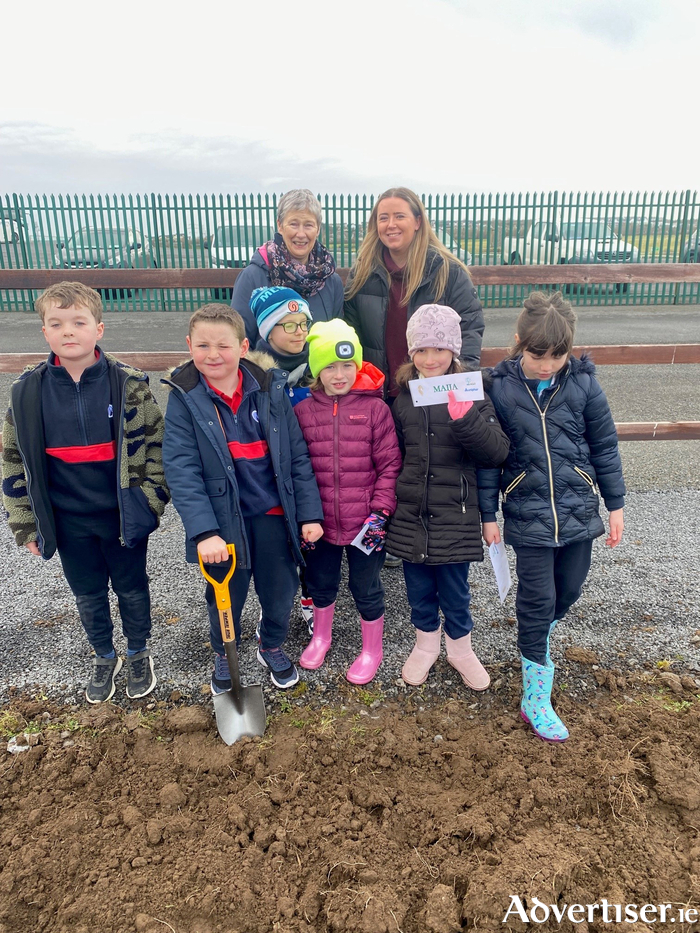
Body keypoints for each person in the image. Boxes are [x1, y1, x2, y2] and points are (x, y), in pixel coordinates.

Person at [1, 282, 169, 703]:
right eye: (56, 323)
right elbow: (11, 460)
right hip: (67, 520)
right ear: (44, 332)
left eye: (79, 322)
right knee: (88, 591)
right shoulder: (26, 393)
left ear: (99, 328)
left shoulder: (128, 385)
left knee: (131, 586)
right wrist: (24, 522)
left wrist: (150, 503)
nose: (68, 331)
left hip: (121, 516)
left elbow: (157, 446)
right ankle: (103, 654)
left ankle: (137, 651)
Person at [479, 290, 625, 743]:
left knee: (570, 590)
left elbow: (604, 445)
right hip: (527, 512)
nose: (546, 364)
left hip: (579, 509)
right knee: (537, 600)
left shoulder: (583, 384)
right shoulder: (498, 387)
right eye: (537, 354)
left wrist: (615, 504)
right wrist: (488, 514)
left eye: (556, 355)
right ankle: (536, 697)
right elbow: (487, 457)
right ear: (520, 342)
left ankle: (538, 636)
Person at [161, 304, 324, 691]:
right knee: (225, 596)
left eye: (223, 345)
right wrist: (204, 532)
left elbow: (296, 455)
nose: (212, 355)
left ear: (243, 345)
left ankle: (270, 644)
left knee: (281, 589)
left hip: (272, 513)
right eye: (202, 345)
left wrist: (309, 514)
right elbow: (182, 470)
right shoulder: (184, 397)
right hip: (223, 520)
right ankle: (224, 652)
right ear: (189, 345)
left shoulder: (270, 388)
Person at [384, 304, 509, 691]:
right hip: (412, 516)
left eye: (439, 349)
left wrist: (466, 417)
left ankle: (460, 650)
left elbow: (497, 452)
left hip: (455, 516)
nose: (430, 358)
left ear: (453, 351)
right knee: (418, 588)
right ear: (411, 354)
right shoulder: (402, 397)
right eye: (421, 350)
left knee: (455, 591)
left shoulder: (474, 393)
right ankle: (425, 646)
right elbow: (393, 455)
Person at [294, 320, 402, 684]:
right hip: (319, 523)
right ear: (316, 369)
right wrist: (304, 515)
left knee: (366, 586)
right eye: (329, 366)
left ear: (356, 365)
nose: (339, 374)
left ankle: (372, 648)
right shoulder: (303, 413)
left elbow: (390, 465)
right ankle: (321, 636)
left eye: (346, 365)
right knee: (320, 582)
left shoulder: (375, 411)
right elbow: (298, 467)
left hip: (366, 522)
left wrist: (381, 512)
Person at [344, 186, 484, 396]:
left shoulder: (447, 271)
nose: (391, 225)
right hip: (378, 395)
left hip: (432, 394)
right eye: (383, 218)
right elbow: (350, 332)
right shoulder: (363, 273)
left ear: (418, 222)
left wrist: (457, 385)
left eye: (399, 216)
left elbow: (470, 328)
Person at [249, 284, 315, 631]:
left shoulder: (320, 369)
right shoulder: (253, 376)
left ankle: (309, 598)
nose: (300, 331)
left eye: (304, 323)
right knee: (275, 553)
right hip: (270, 479)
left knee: (311, 542)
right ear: (267, 330)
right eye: (289, 324)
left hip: (310, 472)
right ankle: (272, 609)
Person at [231, 188, 344, 345]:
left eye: (308, 225)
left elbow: (338, 339)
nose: (301, 234)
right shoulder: (252, 277)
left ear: (318, 229)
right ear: (280, 226)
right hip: (266, 369)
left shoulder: (331, 281)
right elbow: (239, 341)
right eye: (294, 224)